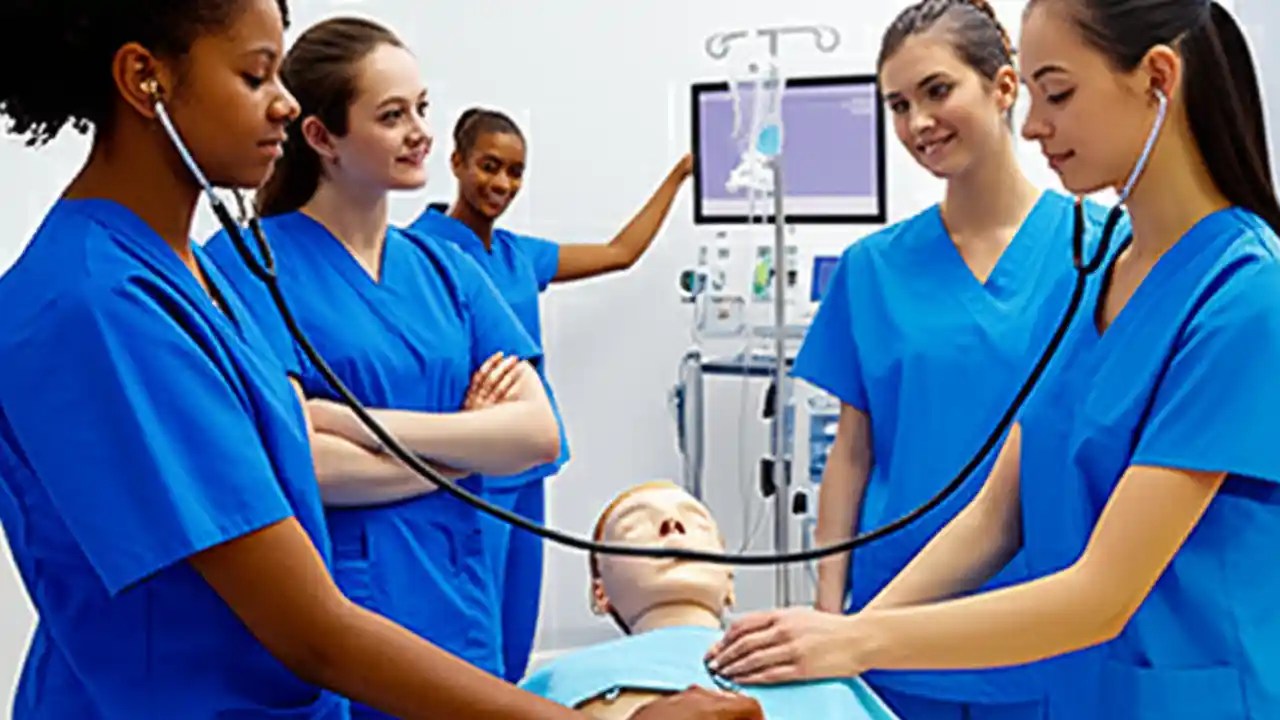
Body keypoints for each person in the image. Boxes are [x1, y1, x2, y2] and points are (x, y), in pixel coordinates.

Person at [0, 2, 763, 718]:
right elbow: (312, 629)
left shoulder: (188, 279)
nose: (285, 104)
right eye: (256, 74)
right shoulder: (97, 305)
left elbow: (528, 434)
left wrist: (358, 432)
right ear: (145, 79)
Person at [707, 1, 1280, 718]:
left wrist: (859, 642)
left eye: (1058, 92)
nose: (1036, 124)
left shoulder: (1248, 294)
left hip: (1188, 694)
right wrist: (840, 629)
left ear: (1157, 78)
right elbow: (995, 515)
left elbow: (1101, 594)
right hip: (1084, 689)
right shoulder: (1100, 269)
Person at [743, 1, 1111, 718]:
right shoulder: (872, 269)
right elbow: (850, 456)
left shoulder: (1103, 251)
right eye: (898, 105)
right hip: (892, 620)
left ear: (1005, 88)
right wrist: (831, 614)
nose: (917, 123)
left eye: (938, 91)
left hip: (1042, 614)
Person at [202, 15, 564, 705]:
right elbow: (296, 462)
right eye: (393, 115)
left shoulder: (448, 268)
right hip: (346, 620)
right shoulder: (250, 264)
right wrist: (467, 447)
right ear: (321, 136)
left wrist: (354, 421)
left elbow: (535, 434)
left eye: (422, 109)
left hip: (460, 606)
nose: (422, 132)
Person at [408, 108, 694, 683]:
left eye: (515, 172)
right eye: (489, 166)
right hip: (469, 466)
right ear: (457, 162)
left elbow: (620, 252)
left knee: (516, 621)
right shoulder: (417, 252)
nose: (502, 185)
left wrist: (681, 174)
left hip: (527, 463)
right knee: (469, 622)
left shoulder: (519, 254)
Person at [520, 481, 899, 720]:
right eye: (635, 525)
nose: (672, 526)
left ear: (729, 579)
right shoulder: (561, 679)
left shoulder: (822, 669)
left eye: (697, 523)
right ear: (600, 592)